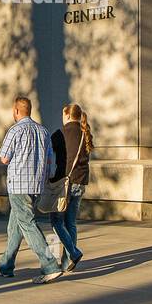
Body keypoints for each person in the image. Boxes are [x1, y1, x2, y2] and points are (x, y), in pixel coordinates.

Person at [0, 96, 63, 284]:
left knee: (28, 224)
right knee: (15, 226)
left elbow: (4, 158)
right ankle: (6, 265)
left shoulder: (15, 130)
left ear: (16, 111)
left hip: (18, 185)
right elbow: (50, 161)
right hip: (36, 185)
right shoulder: (43, 131)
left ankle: (50, 265)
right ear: (29, 110)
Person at [49, 103, 93, 272]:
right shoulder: (85, 133)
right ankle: (68, 262)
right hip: (80, 183)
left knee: (56, 221)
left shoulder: (60, 134)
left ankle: (73, 253)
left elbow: (51, 158)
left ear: (67, 115)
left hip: (64, 184)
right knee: (71, 223)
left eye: (63, 114)